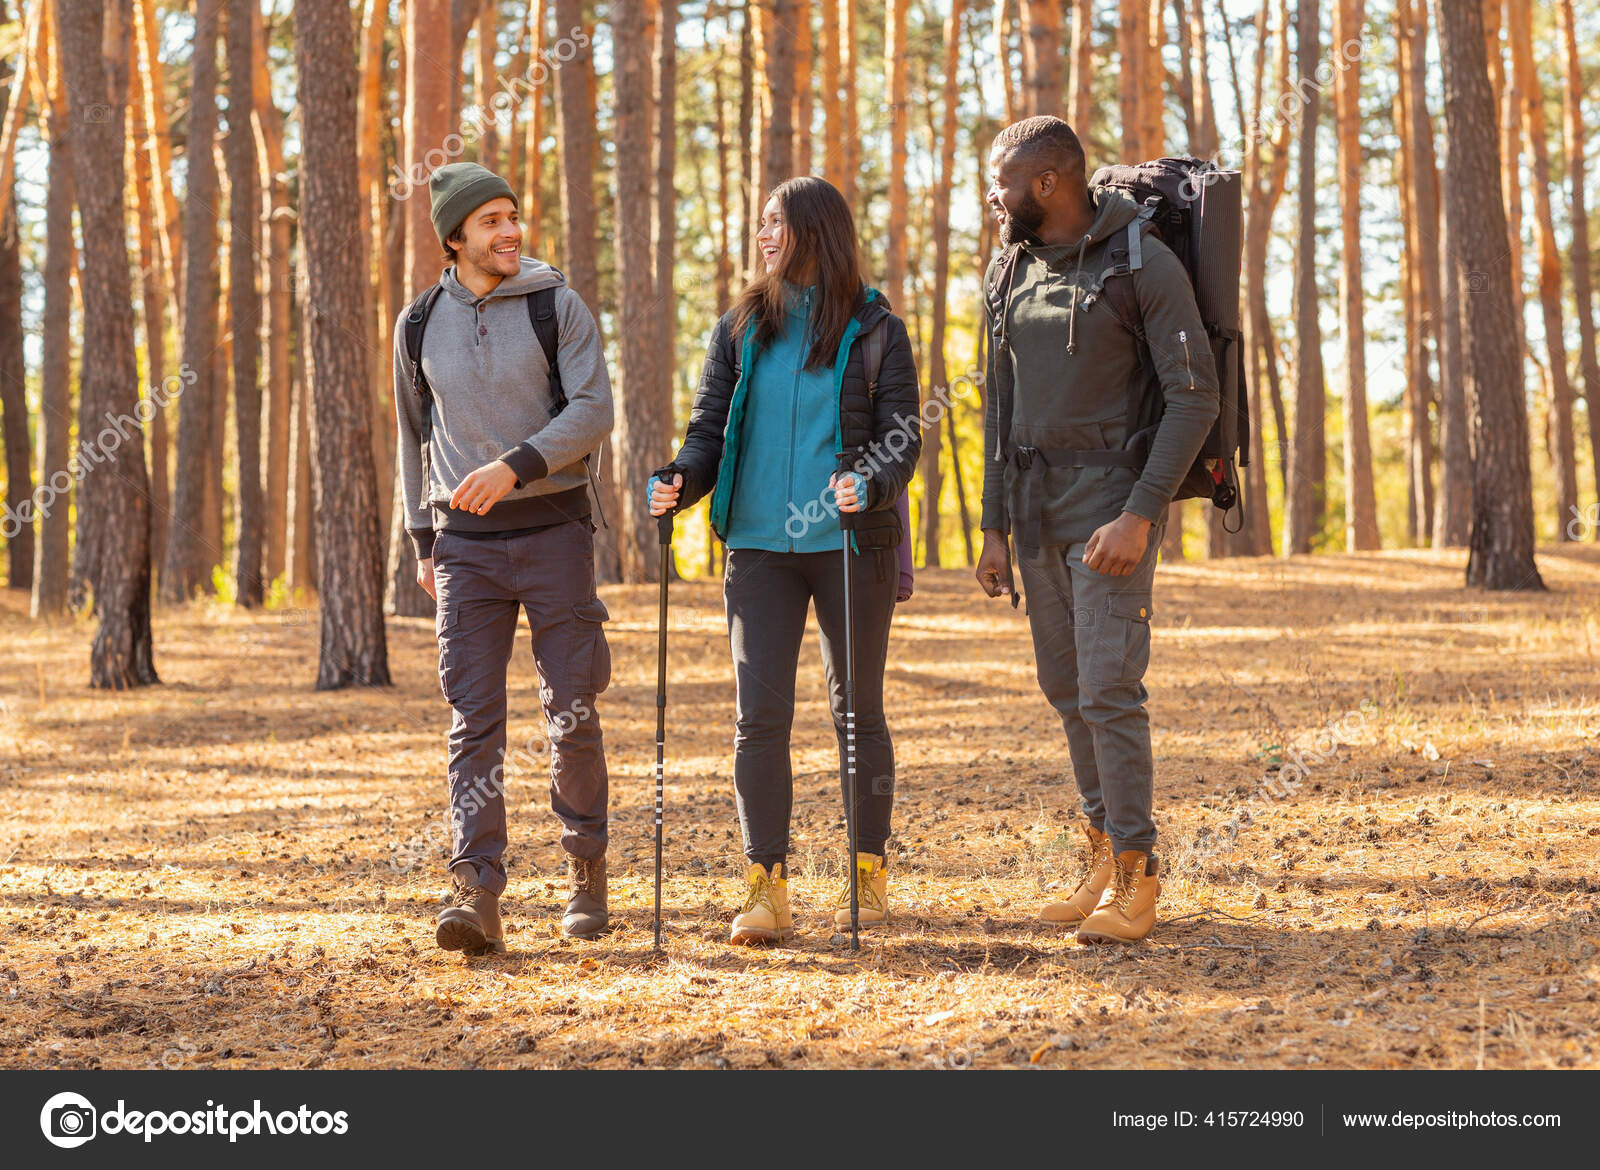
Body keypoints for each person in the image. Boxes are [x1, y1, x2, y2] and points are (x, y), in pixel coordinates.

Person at [648, 175, 921, 945]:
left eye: (776, 222)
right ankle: (765, 888)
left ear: (814, 230)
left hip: (848, 547)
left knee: (856, 712)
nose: (763, 235)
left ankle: (867, 876)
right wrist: (680, 478)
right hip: (758, 550)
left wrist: (868, 482)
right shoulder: (741, 328)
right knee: (758, 718)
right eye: (761, 221)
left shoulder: (874, 329)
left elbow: (904, 434)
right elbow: (709, 433)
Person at [975, 116, 1219, 944]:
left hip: (1111, 507)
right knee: (1065, 688)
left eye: (1002, 181)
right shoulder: (1008, 267)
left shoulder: (1142, 261)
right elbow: (999, 407)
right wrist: (993, 526)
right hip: (1034, 511)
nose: (991, 194)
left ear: (1048, 184)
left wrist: (1141, 513)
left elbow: (1195, 397)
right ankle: (1103, 852)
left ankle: (1139, 876)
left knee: (1109, 689)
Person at [394, 162, 617, 953]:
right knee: (472, 725)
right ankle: (476, 891)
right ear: (453, 237)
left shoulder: (557, 305)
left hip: (555, 533)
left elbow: (595, 409)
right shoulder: (418, 322)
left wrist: (518, 464)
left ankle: (584, 869)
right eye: (490, 220)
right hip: (463, 552)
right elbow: (414, 438)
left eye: (513, 215)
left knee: (572, 711)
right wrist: (423, 539)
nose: (510, 231)